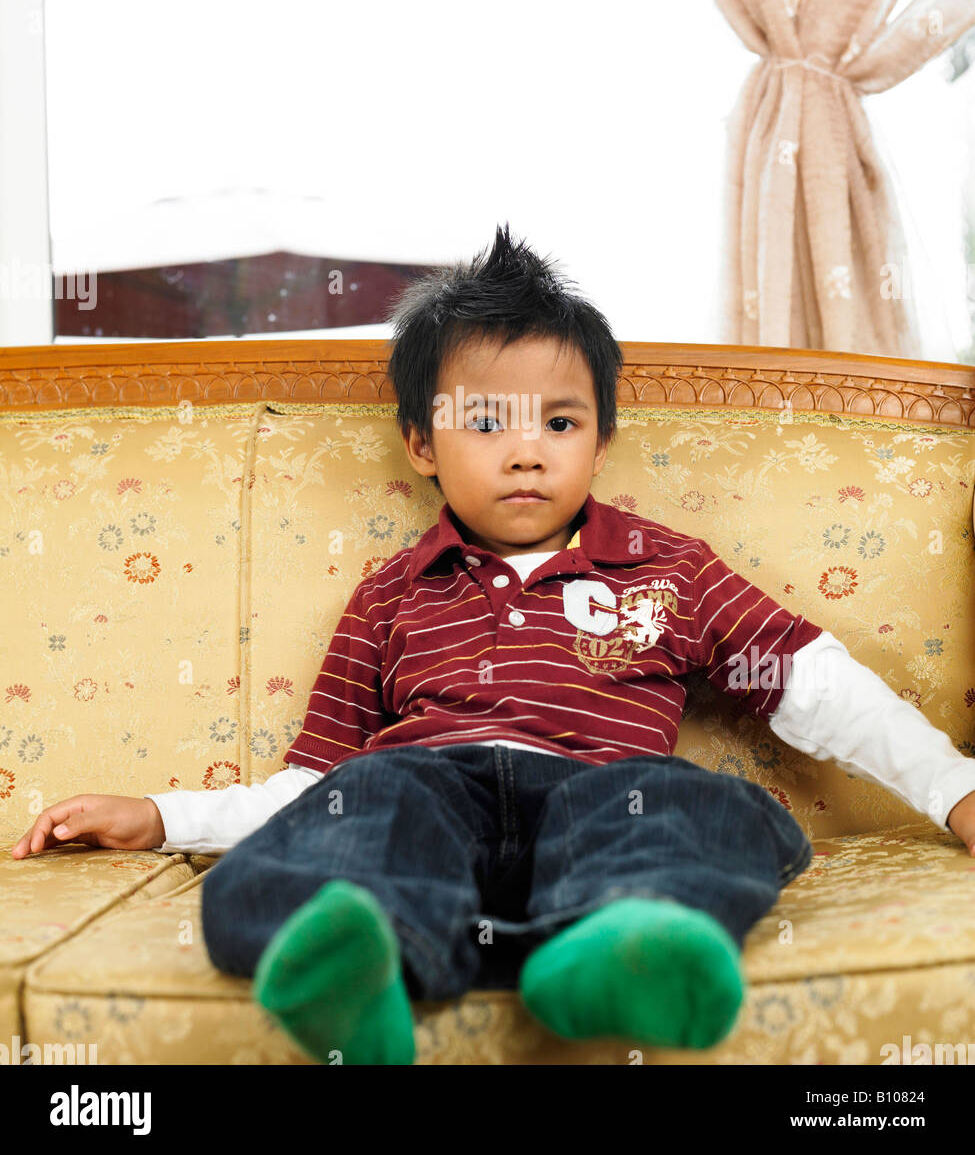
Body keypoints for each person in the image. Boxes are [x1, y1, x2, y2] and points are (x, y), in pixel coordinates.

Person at [13, 224, 975, 1067]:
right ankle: (363, 960)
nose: (527, 450)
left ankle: (618, 948)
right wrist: (161, 816)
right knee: (363, 803)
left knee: (707, 804)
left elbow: (812, 684)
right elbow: (314, 789)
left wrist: (950, 788)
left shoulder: (665, 568)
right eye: (486, 423)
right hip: (430, 796)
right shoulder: (391, 593)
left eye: (560, 423)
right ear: (420, 444)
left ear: (600, 443)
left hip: (604, 800)